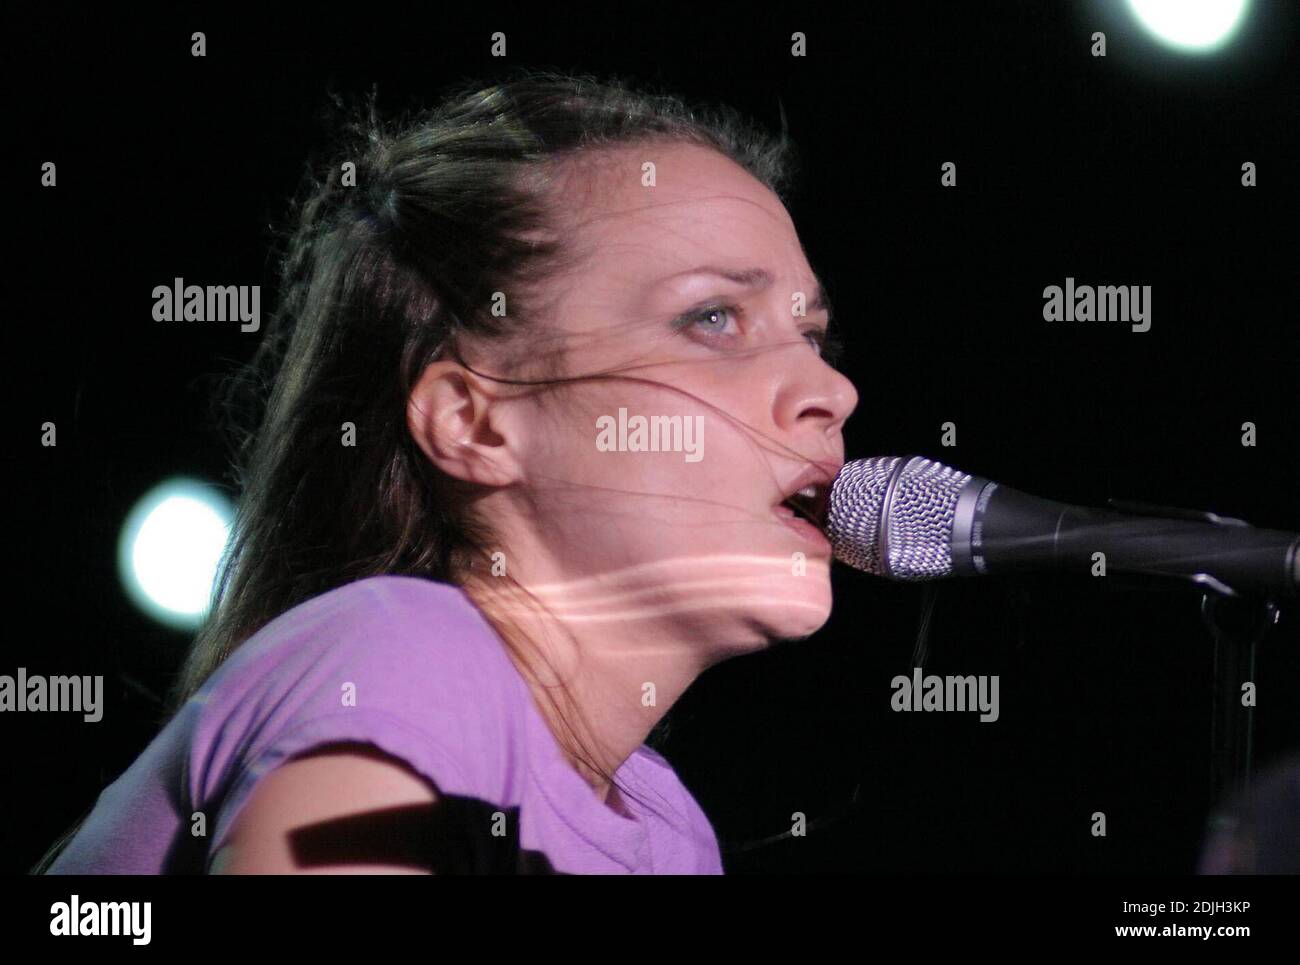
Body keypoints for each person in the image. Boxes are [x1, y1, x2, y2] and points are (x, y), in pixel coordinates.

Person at [35, 68, 858, 874]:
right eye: (713, 317)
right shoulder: (406, 655)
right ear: (473, 423)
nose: (833, 390)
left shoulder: (674, 836)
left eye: (811, 336)